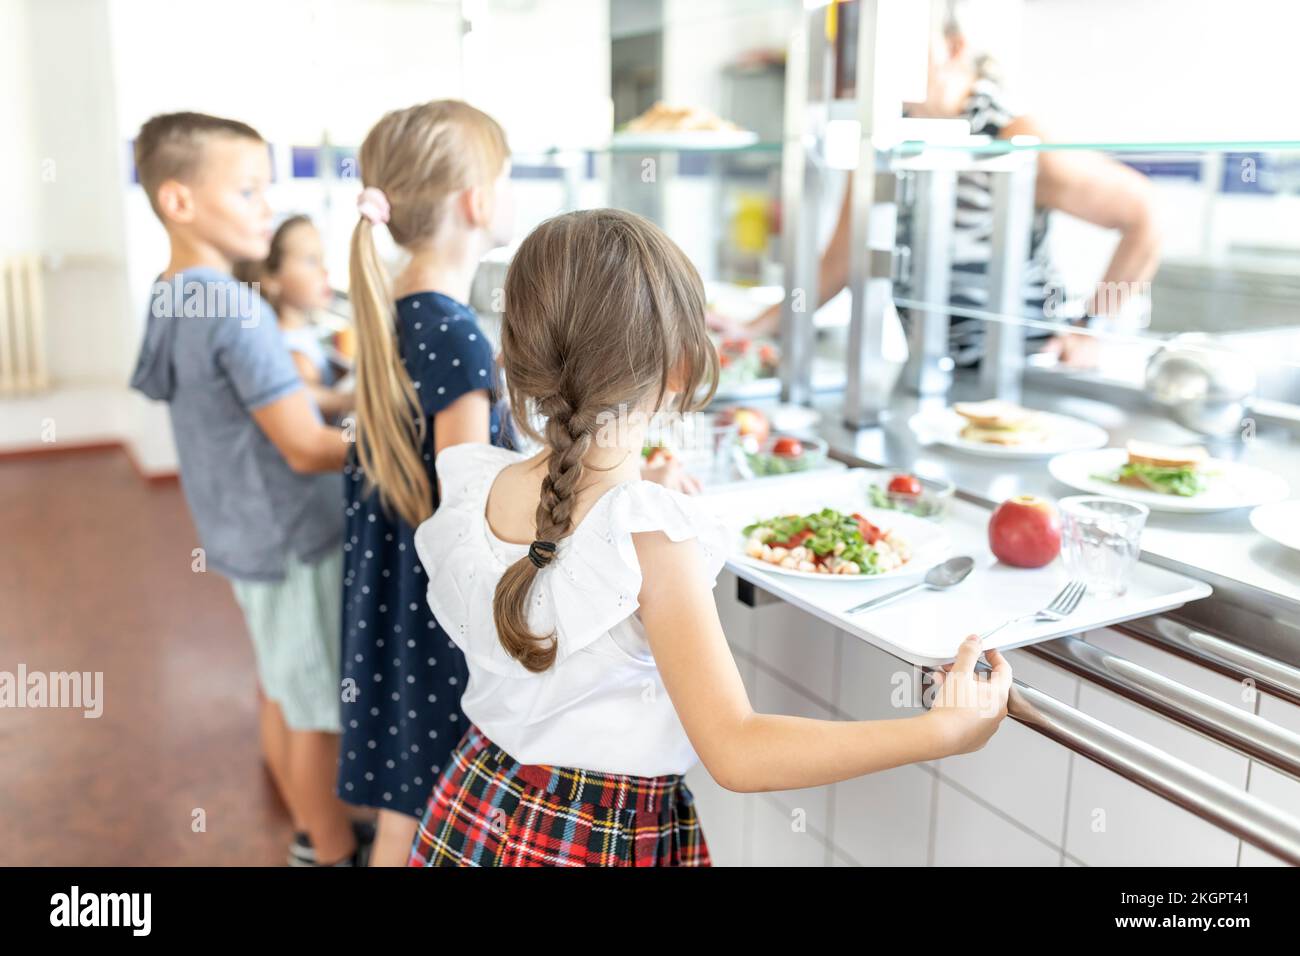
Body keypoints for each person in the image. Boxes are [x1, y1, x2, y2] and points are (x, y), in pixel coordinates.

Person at [407, 208, 1011, 867]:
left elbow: (574, 535)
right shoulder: (651, 536)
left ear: (511, 360)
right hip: (591, 841)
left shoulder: (480, 484)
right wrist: (940, 730)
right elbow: (738, 750)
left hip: (474, 807)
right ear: (683, 369)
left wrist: (637, 491)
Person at [128, 112, 365, 866]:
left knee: (280, 689)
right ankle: (325, 848)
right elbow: (304, 448)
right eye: (248, 190)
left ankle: (310, 823)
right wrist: (390, 442)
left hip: (238, 533)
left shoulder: (173, 293)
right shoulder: (236, 306)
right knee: (317, 711)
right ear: (180, 201)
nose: (266, 207)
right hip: (293, 538)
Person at [726, 0, 1160, 370]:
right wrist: (751, 328)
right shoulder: (888, 131)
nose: (881, 53)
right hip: (931, 374)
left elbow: (1145, 217)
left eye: (901, 39)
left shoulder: (1010, 134)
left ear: (954, 48)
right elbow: (839, 261)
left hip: (1021, 373)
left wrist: (1091, 328)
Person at [234, 215, 353, 420]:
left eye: (322, 259)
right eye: (311, 260)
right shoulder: (294, 355)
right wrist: (350, 400)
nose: (324, 271)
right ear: (271, 279)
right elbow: (298, 396)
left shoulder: (300, 335)